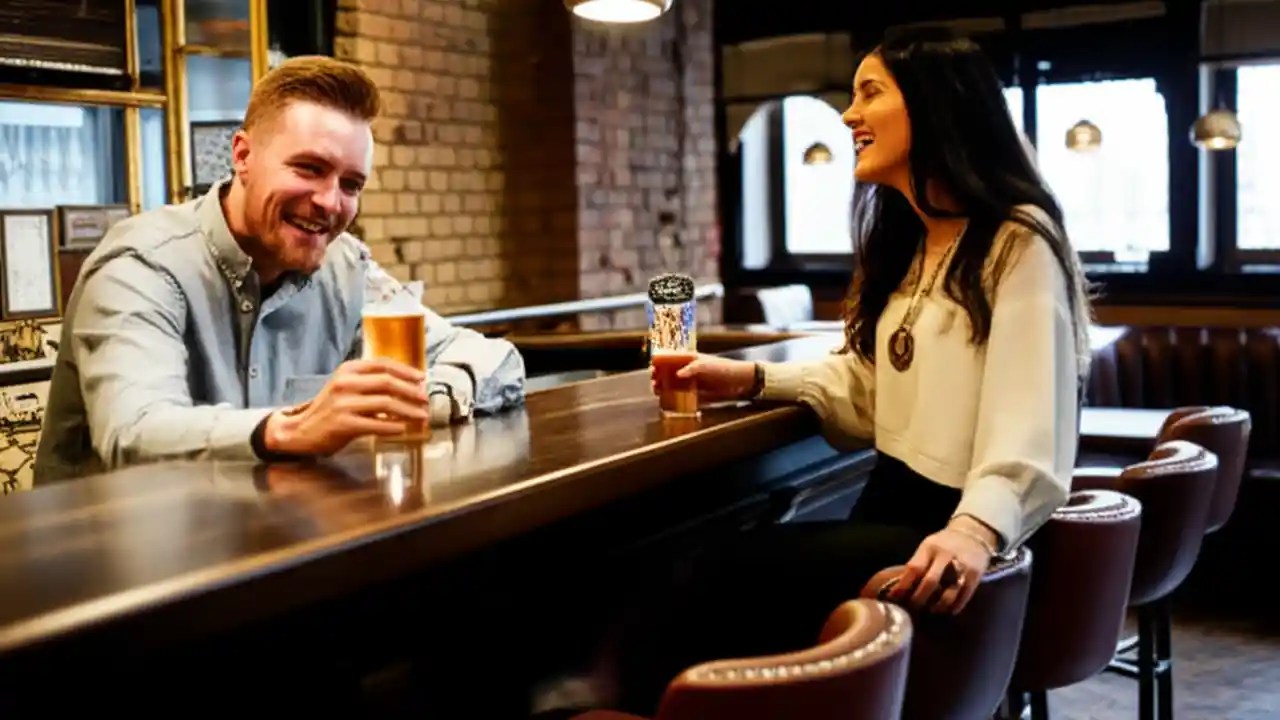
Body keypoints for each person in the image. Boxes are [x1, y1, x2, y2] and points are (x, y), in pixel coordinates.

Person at [615, 27, 1094, 712]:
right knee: (704, 577)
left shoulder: (1014, 238)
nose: (847, 115)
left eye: (870, 93)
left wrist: (974, 530)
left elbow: (1032, 421)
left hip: (943, 528)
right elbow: (871, 391)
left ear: (935, 106)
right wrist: (749, 380)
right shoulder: (909, 239)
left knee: (701, 577)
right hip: (891, 502)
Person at [34, 56, 525, 485]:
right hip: (110, 570)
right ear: (243, 156)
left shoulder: (345, 267)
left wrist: (432, 395)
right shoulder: (142, 265)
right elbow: (133, 433)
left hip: (264, 548)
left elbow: (494, 359)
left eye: (351, 184)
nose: (330, 203)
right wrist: (295, 426)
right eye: (309, 169)